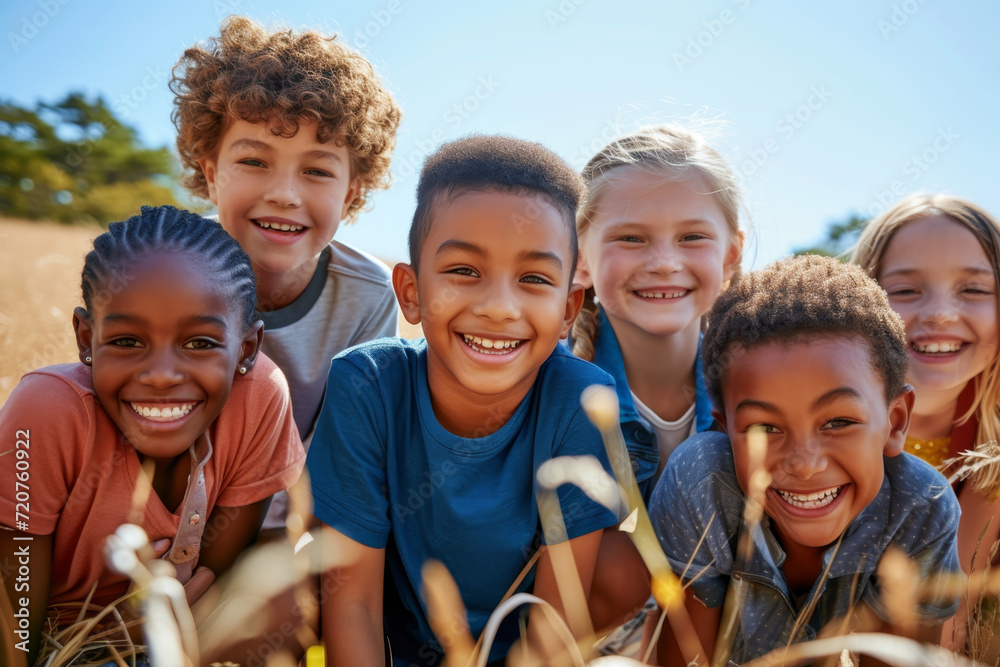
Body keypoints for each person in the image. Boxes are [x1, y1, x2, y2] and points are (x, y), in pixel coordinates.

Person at [306, 135, 619, 666]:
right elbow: (352, 599)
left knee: (626, 565)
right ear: (410, 293)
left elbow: (556, 617)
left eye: (533, 279)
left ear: (569, 309)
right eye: (464, 271)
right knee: (281, 585)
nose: (499, 307)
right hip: (395, 644)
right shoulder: (368, 383)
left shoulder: (580, 400)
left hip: (518, 652)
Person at [0, 206, 305, 664]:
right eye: (127, 341)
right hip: (57, 647)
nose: (161, 376)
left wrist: (158, 631)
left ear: (246, 348)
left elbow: (208, 583)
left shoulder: (259, 394)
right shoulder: (45, 408)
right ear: (86, 338)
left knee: (291, 601)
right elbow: (15, 626)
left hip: (179, 637)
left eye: (200, 343)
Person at [651, 254, 961, 666]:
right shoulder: (700, 483)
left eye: (838, 421)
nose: (804, 463)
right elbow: (687, 657)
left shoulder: (921, 505)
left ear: (895, 421)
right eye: (765, 428)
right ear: (723, 429)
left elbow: (897, 657)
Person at [171, 16, 401, 529]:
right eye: (254, 161)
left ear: (353, 193)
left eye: (317, 170)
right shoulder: (163, 272)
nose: (285, 194)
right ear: (211, 175)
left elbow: (344, 450)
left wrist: (276, 556)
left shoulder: (366, 295)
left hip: (284, 525)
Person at [569, 125, 744, 640]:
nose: (664, 262)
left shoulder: (757, 396)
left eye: (692, 237)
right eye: (631, 238)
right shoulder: (550, 392)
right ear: (580, 257)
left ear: (730, 255)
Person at [852, 194, 1000, 648]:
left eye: (973, 289)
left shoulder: (993, 437)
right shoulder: (823, 413)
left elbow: (953, 610)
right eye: (904, 290)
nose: (938, 313)